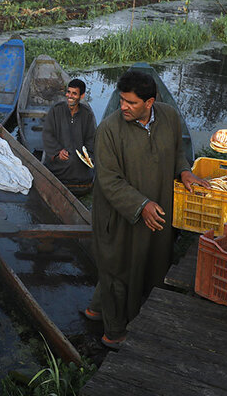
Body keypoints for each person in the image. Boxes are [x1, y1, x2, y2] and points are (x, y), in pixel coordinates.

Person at [86, 70, 208, 349]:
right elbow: (109, 180)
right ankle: (113, 333)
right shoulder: (108, 130)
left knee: (152, 263)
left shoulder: (169, 117)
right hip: (119, 215)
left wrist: (185, 172)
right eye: (121, 100)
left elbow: (178, 153)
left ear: (150, 102)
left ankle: (95, 309)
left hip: (159, 210)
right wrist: (141, 205)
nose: (123, 107)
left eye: (131, 102)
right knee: (116, 268)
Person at [42, 78, 97, 189]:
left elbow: (91, 138)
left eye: (74, 94)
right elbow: (47, 134)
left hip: (79, 161)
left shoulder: (87, 114)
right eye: (68, 92)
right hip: (60, 161)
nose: (70, 96)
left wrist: (89, 157)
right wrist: (58, 151)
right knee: (66, 162)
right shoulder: (56, 110)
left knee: (79, 166)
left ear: (81, 96)